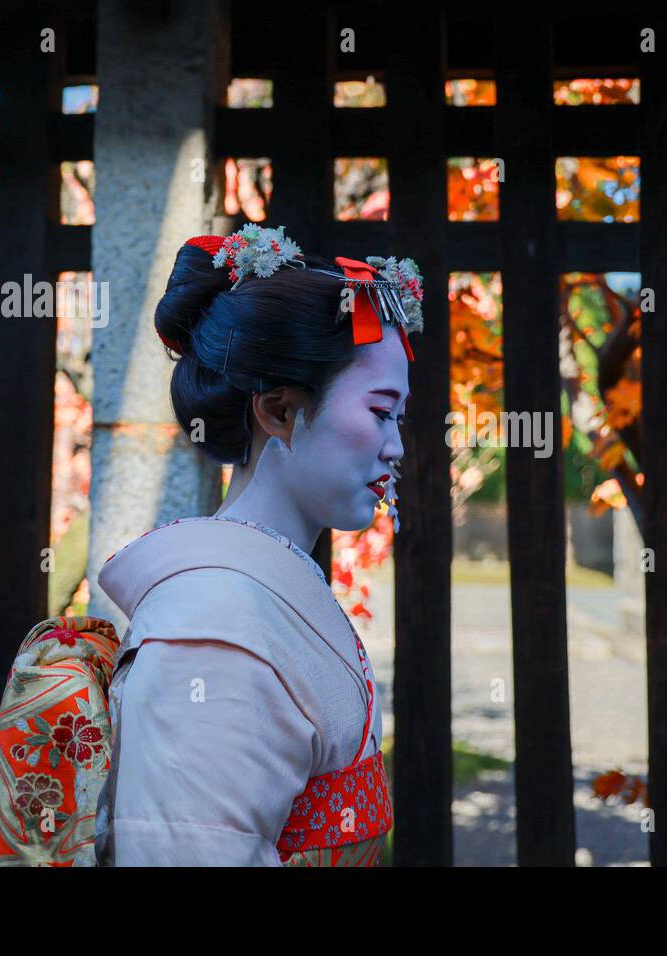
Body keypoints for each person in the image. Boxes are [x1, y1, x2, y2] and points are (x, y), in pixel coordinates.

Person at [91, 226, 422, 865]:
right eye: (380, 412)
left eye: (399, 418)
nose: (396, 446)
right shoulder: (214, 626)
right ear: (278, 411)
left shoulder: (244, 597)